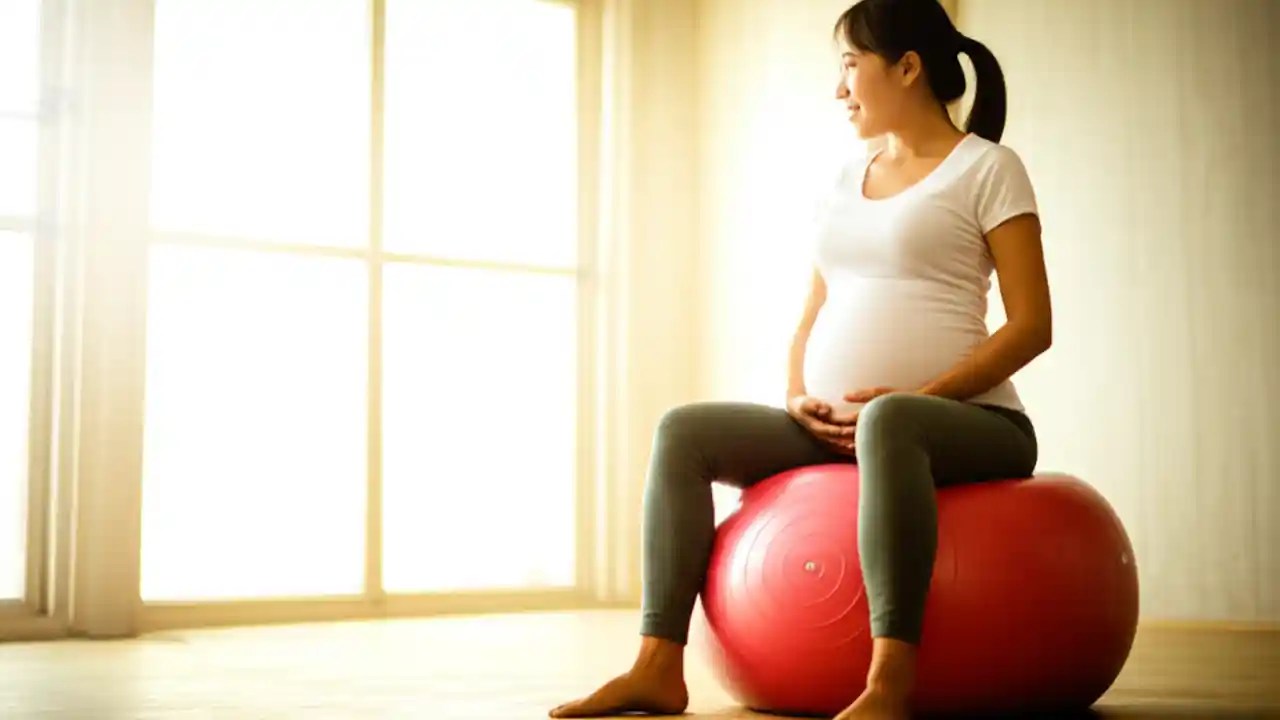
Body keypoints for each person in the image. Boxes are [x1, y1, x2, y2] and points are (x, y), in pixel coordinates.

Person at [549, 0, 1051, 717]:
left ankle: (889, 684)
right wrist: (796, 397)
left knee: (891, 423)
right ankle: (657, 666)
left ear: (907, 68)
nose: (839, 88)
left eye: (850, 65)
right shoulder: (846, 179)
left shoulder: (989, 168)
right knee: (684, 431)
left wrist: (923, 400)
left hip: (974, 423)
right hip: (846, 429)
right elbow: (815, 310)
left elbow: (1032, 326)